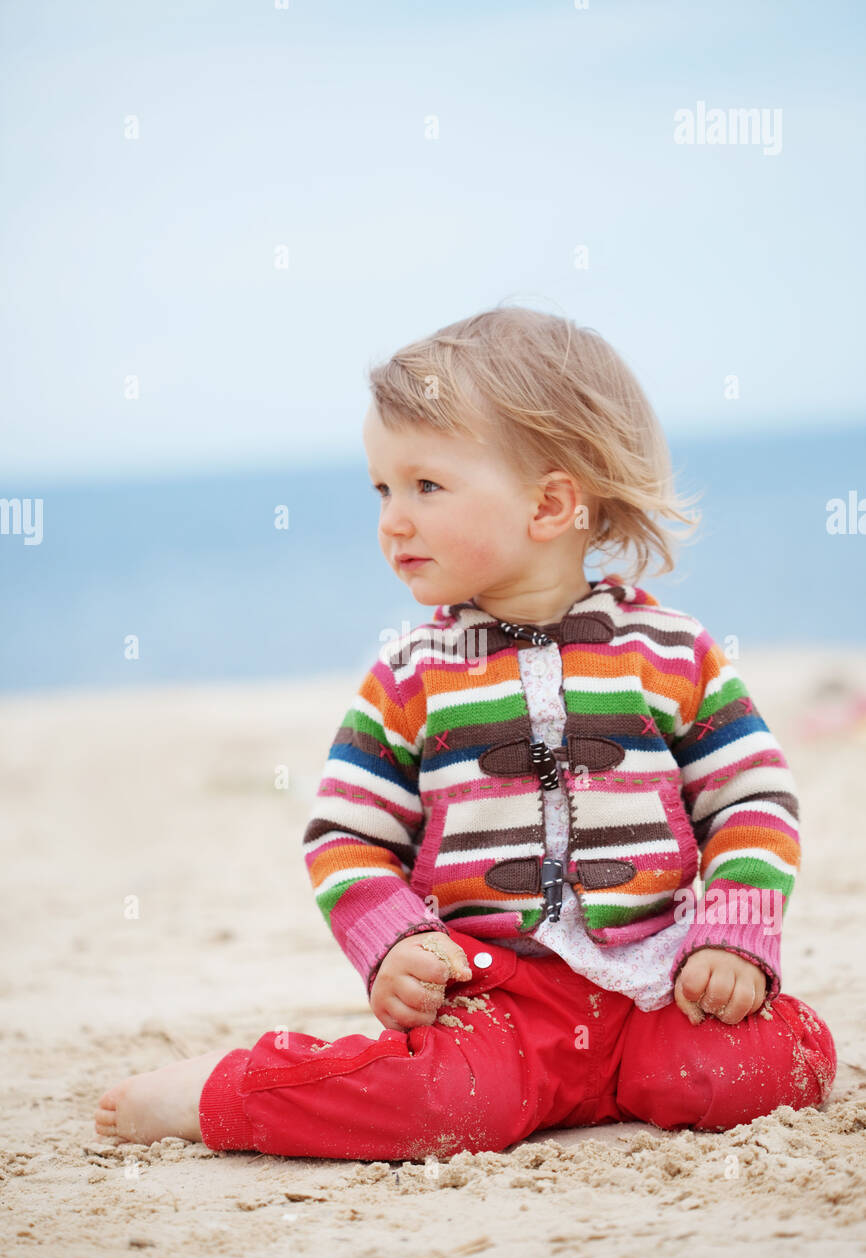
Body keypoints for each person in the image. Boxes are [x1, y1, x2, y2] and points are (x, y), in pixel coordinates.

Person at [95, 306, 836, 1155]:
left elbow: (753, 795)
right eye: (383, 489)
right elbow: (345, 834)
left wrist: (736, 935)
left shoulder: (672, 652)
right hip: (495, 1000)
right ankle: (227, 1093)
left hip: (656, 986)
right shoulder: (411, 677)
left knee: (783, 1061)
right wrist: (395, 942)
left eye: (426, 487)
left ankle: (616, 1082)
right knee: (446, 1106)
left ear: (551, 503)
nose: (392, 519)